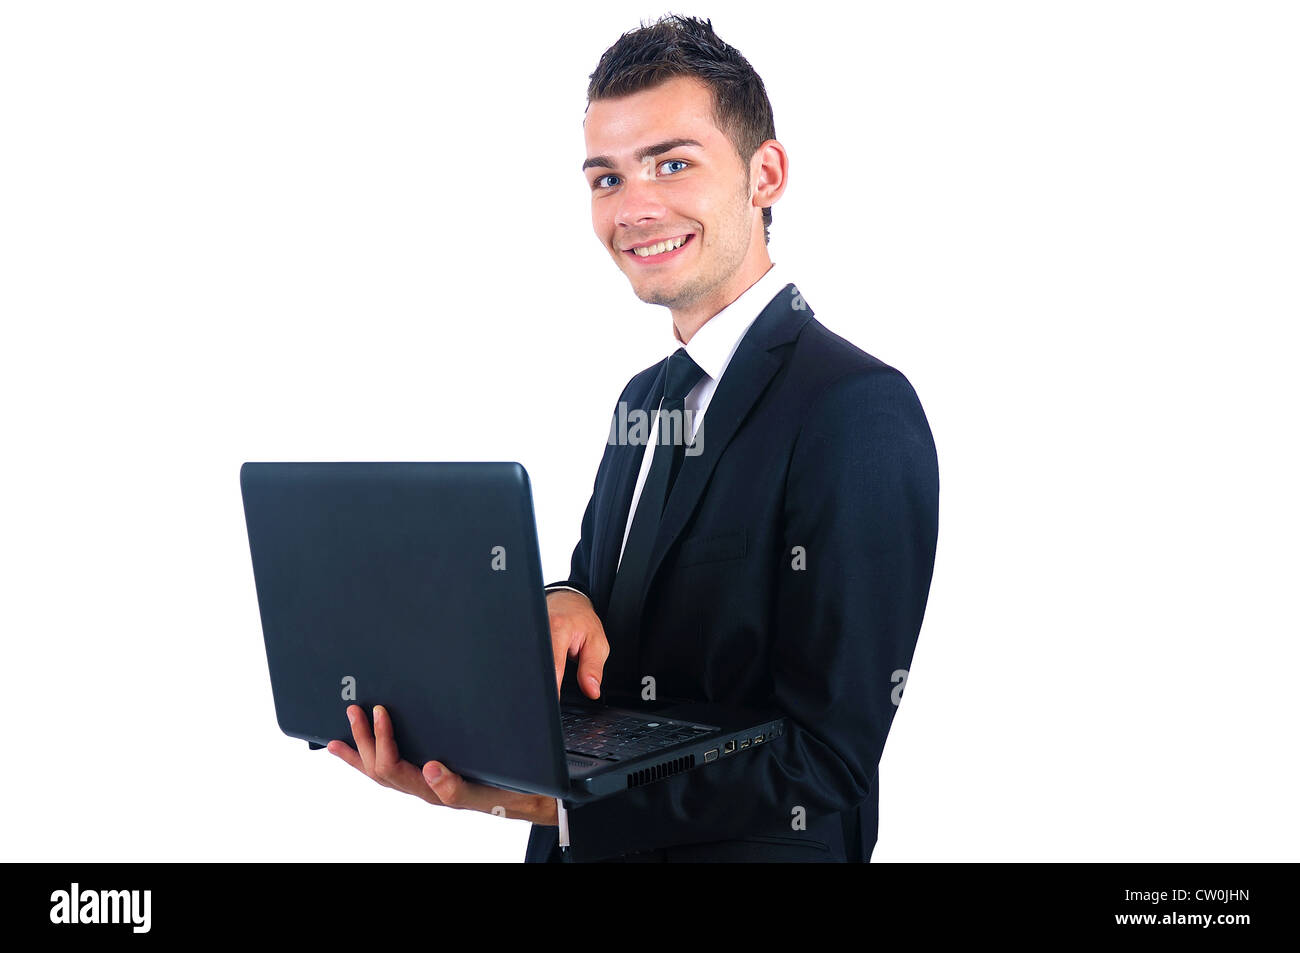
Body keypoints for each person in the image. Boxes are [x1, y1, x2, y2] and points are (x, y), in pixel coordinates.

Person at [327, 14, 939, 863]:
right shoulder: (644, 400)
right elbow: (609, 613)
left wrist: (539, 804)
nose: (635, 206)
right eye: (606, 178)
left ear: (767, 174)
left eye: (673, 163)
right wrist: (560, 604)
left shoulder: (856, 409)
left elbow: (826, 763)